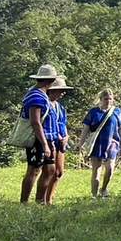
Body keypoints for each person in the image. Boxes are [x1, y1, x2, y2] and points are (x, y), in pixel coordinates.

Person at [19, 64, 58, 204]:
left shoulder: (42, 95)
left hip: (47, 138)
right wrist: (44, 144)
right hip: (38, 139)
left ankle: (40, 201)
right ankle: (24, 202)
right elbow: (35, 122)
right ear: (51, 80)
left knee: (50, 169)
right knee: (34, 170)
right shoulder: (36, 96)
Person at [82, 89, 121, 199]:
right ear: (100, 99)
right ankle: (94, 195)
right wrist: (81, 143)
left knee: (110, 168)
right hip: (97, 144)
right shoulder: (93, 112)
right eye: (106, 99)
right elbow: (86, 128)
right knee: (96, 170)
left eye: (110, 99)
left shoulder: (117, 112)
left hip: (112, 144)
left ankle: (104, 188)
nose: (108, 101)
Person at [39, 75, 74, 204]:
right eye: (60, 90)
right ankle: (42, 199)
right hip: (50, 140)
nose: (63, 93)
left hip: (61, 143)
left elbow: (63, 123)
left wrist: (66, 136)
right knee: (48, 171)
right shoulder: (45, 104)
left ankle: (50, 199)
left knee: (58, 172)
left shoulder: (60, 107)